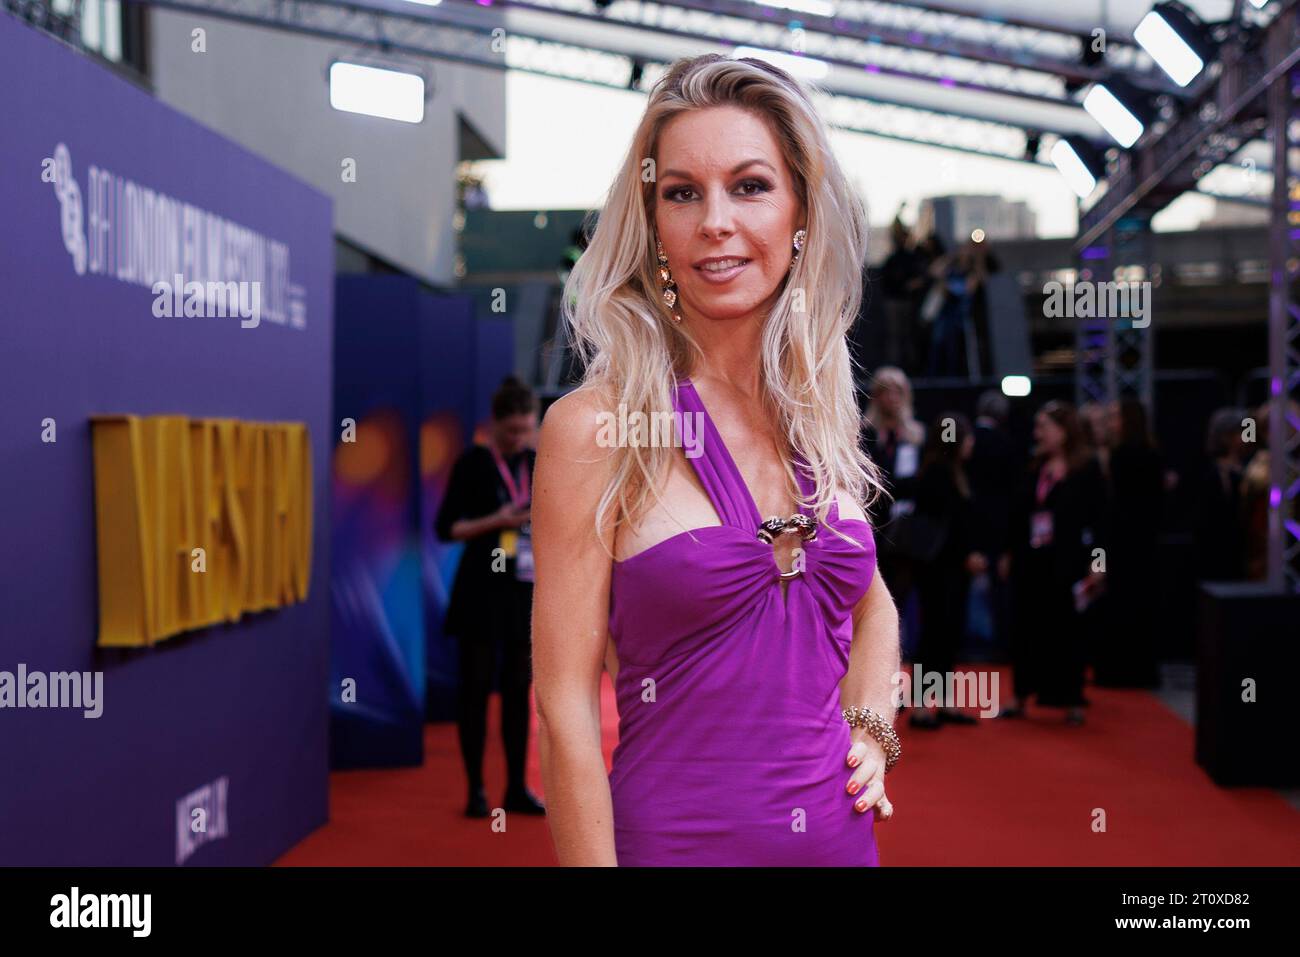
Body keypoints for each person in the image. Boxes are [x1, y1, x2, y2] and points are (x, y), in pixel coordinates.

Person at [533, 54, 902, 866]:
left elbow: (873, 602)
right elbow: (564, 703)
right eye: (682, 192)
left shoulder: (814, 412)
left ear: (801, 211)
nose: (715, 222)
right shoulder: (596, 426)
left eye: (750, 185)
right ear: (652, 221)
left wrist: (873, 716)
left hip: (841, 842)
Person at [434, 375, 545, 818]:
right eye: (511, 431)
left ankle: (517, 787)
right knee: (475, 689)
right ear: (494, 425)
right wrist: (497, 519)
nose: (518, 438)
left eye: (525, 429)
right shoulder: (472, 464)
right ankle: (476, 789)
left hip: (524, 587)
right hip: (479, 589)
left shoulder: (539, 462)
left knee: (520, 690)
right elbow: (446, 529)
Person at [999, 401, 1107, 726]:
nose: (1038, 433)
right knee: (1026, 627)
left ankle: (1071, 699)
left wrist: (1098, 563)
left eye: (1044, 426)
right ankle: (1020, 696)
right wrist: (1008, 553)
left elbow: (1101, 520)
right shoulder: (1034, 468)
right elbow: (1017, 515)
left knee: (1069, 629)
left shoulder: (1087, 469)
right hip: (1032, 562)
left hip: (1069, 562)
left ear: (1063, 431)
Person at [908, 412, 982, 729]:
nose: (971, 444)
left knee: (945, 634)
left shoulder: (948, 471)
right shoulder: (940, 473)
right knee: (935, 634)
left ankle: (944, 703)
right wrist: (966, 554)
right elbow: (947, 524)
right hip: (940, 568)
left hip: (947, 568)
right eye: (965, 438)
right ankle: (923, 707)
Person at [1096, 399, 1163, 688]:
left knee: (1122, 604)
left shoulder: (1123, 454)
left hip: (1124, 543)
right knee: (1140, 606)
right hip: (1143, 543)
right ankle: (1140, 669)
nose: (1111, 423)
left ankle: (1119, 670)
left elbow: (1116, 504)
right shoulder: (1151, 452)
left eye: (1115, 417)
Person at [1191, 407, 1248, 582]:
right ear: (1226, 437)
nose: (1247, 438)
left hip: (1244, 550)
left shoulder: (1250, 467)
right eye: (1242, 433)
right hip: (1218, 554)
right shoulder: (1210, 474)